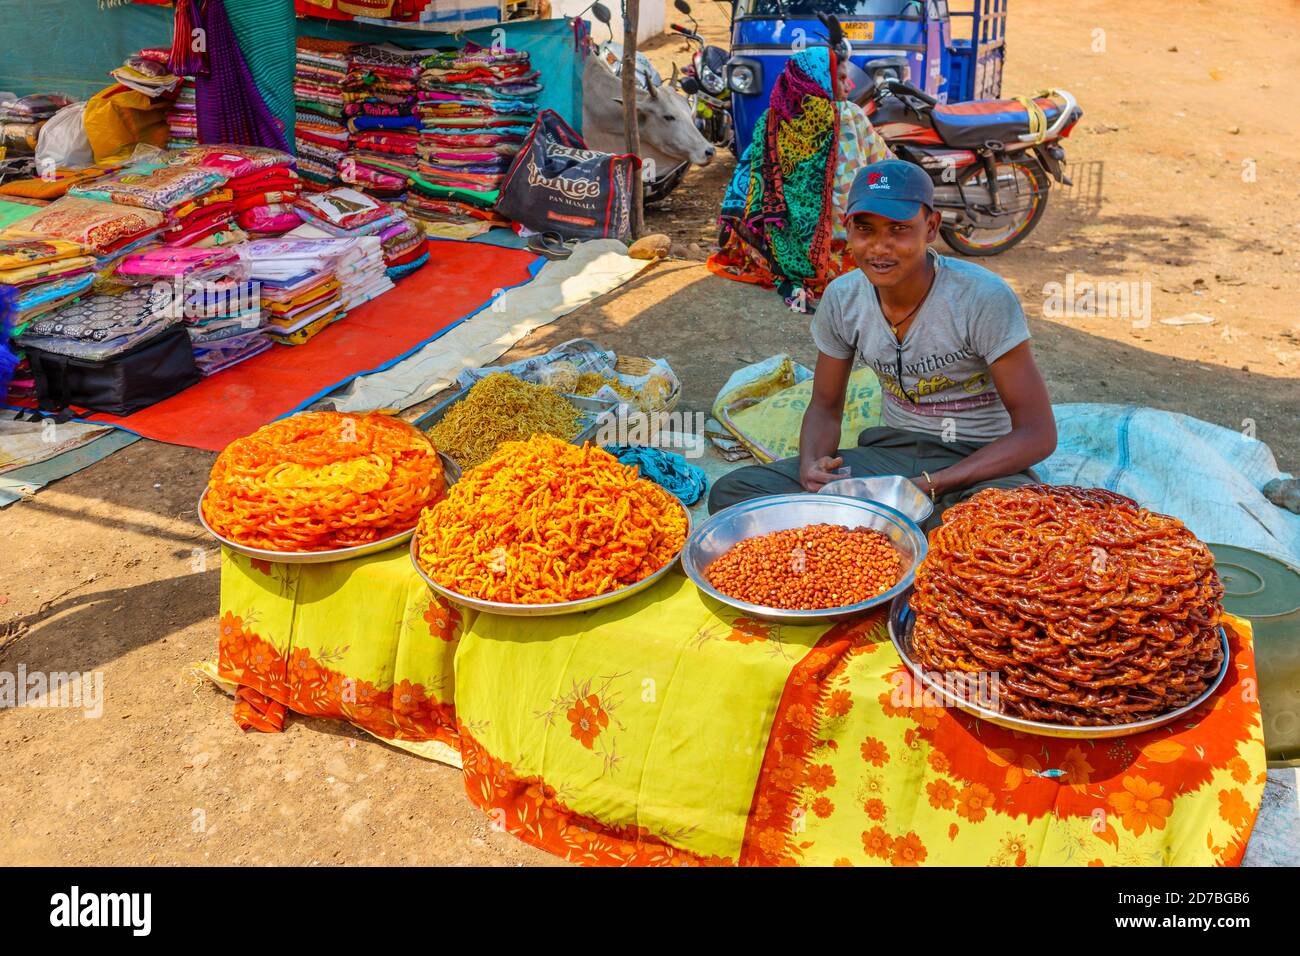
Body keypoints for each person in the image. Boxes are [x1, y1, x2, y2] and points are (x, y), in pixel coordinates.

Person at [708, 159, 1058, 531]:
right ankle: (884, 534)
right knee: (735, 493)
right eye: (865, 229)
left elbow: (1038, 433)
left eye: (899, 229)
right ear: (849, 230)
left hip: (979, 462)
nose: (880, 247)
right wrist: (813, 468)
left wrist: (929, 486)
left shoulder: (981, 298)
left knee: (1007, 530)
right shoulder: (843, 298)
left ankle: (868, 533)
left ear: (932, 228)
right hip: (892, 453)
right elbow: (826, 407)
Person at [706, 45, 892, 312]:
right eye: (840, 78)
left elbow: (748, 182)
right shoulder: (849, 117)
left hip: (779, 244)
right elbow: (883, 165)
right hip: (841, 244)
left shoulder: (770, 121)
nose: (849, 85)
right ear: (819, 82)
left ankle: (795, 267)